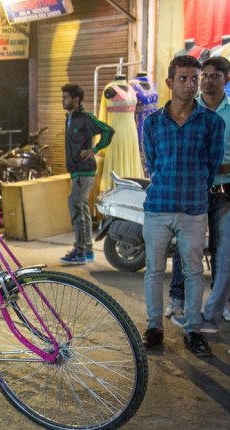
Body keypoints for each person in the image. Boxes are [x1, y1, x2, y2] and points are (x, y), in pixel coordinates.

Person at [140, 55, 224, 357]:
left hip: (193, 209)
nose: (191, 84)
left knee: (191, 271)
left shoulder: (211, 122)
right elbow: (151, 163)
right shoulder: (153, 123)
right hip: (158, 207)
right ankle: (154, 327)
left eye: (194, 78)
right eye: (184, 79)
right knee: (154, 270)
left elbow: (212, 164)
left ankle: (192, 330)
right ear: (169, 83)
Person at [165, 56, 230, 330]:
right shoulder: (188, 109)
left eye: (215, 76)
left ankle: (222, 301)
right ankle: (177, 299)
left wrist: (216, 166)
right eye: (204, 75)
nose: (206, 80)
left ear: (226, 79)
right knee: (185, 249)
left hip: (224, 192)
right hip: (192, 191)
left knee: (222, 249)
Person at [59, 84, 114, 265]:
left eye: (66, 97)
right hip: (76, 172)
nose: (63, 100)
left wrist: (95, 149)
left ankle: (80, 251)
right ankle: (87, 250)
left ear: (76, 100)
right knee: (81, 209)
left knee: (76, 206)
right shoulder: (70, 118)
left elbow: (107, 130)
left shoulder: (85, 118)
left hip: (85, 171)